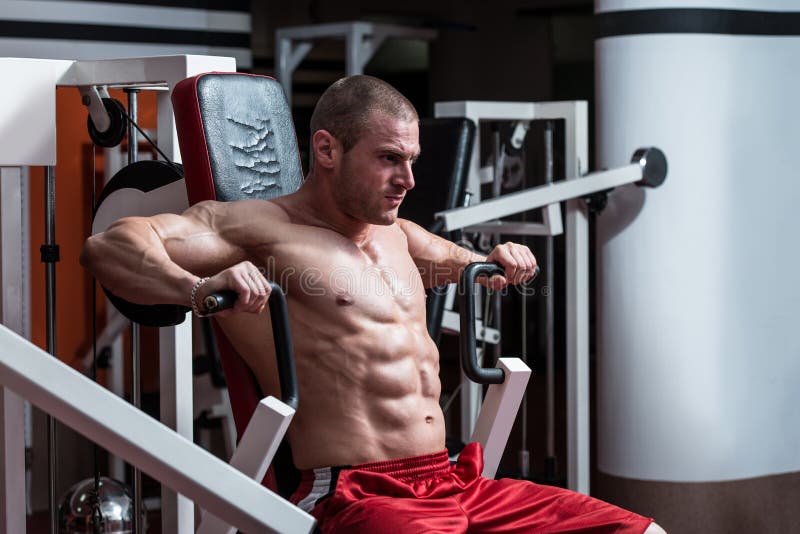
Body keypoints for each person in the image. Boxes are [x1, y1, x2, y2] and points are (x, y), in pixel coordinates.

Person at [81, 75, 665, 533]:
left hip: (458, 480)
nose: (408, 178)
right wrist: (196, 288)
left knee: (645, 532)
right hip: (361, 492)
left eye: (411, 160)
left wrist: (501, 261)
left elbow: (467, 263)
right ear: (328, 149)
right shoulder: (256, 230)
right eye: (390, 158)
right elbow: (109, 247)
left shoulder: (398, 236)